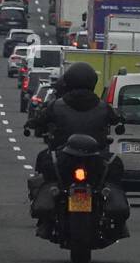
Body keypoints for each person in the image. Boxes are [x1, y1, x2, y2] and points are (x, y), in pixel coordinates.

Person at [27, 62, 130, 239]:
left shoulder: (56, 105)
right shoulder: (103, 106)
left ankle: (45, 222)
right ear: (92, 82)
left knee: (43, 165)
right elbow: (116, 119)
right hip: (96, 159)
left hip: (63, 158)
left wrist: (32, 123)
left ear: (69, 81)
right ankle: (119, 225)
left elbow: (40, 119)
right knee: (114, 173)